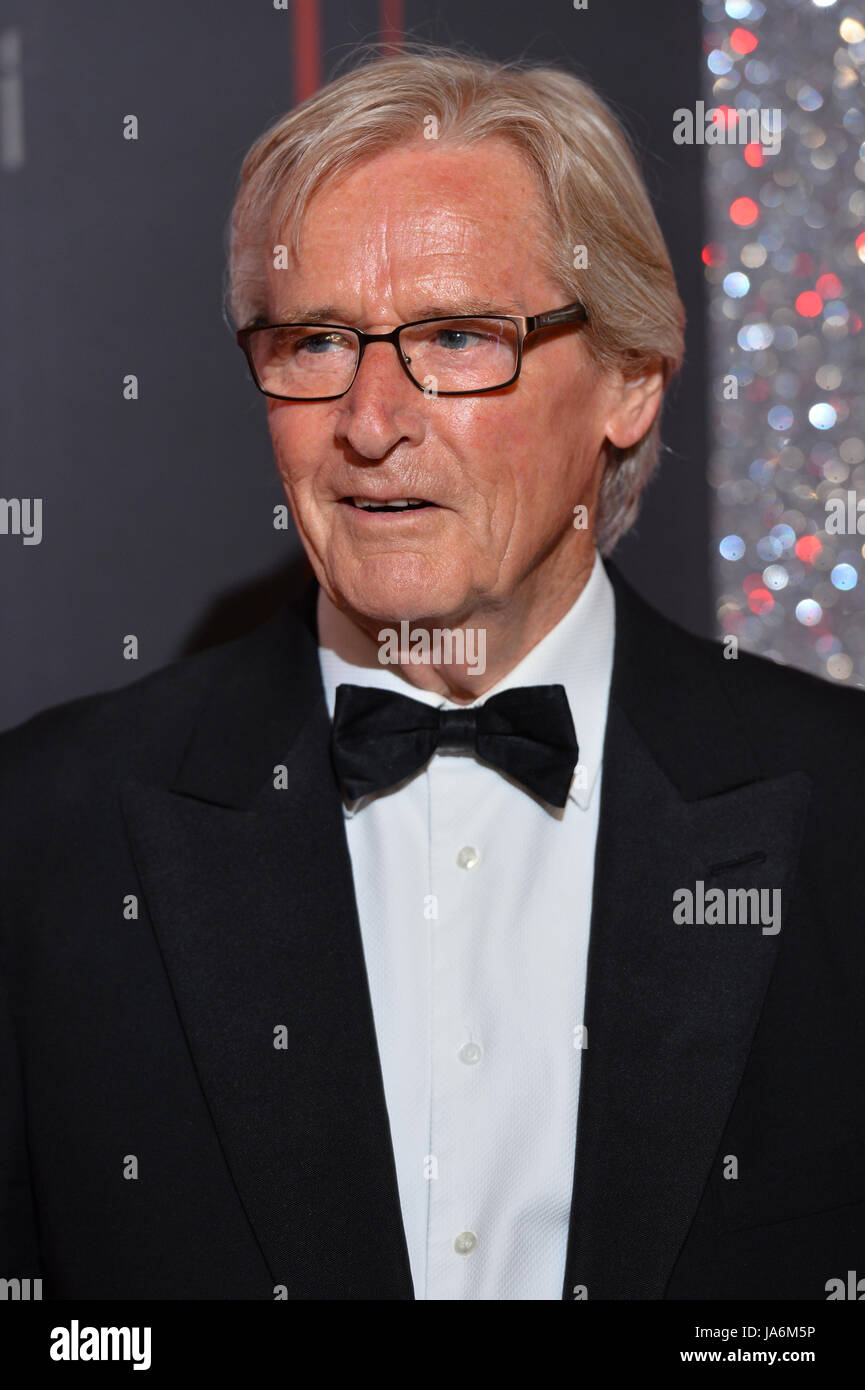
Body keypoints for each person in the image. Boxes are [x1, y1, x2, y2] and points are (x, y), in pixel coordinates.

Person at [2, 45, 863, 1302]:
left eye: (458, 337)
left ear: (629, 374)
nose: (367, 419)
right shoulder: (44, 836)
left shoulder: (841, 812)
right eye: (313, 342)